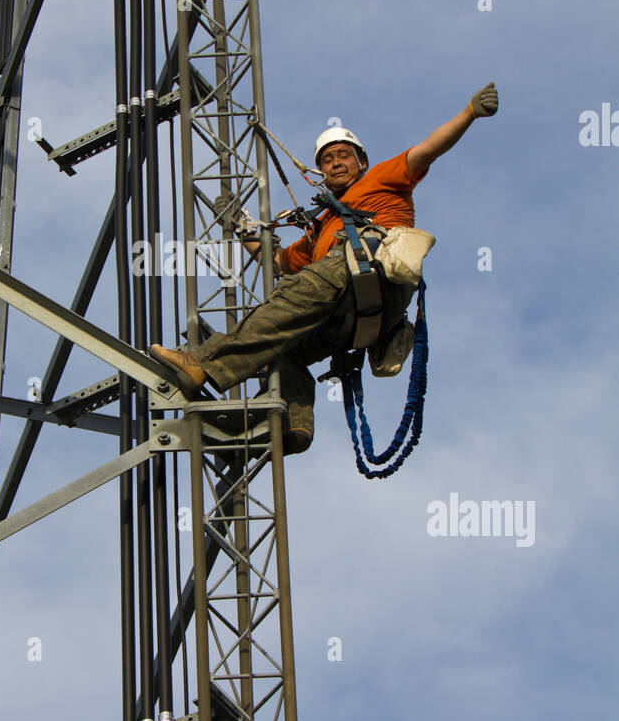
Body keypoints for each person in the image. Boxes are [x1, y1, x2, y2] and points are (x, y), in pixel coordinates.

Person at [150, 83, 499, 454]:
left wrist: (469, 113)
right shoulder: (321, 229)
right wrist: (242, 230)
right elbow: (280, 261)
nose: (335, 162)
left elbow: (428, 150)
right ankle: (295, 425)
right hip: (352, 314)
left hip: (369, 273)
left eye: (343, 155)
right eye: (327, 159)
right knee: (286, 348)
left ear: (360, 161)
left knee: (287, 298)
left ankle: (201, 364)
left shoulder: (383, 178)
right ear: (321, 171)